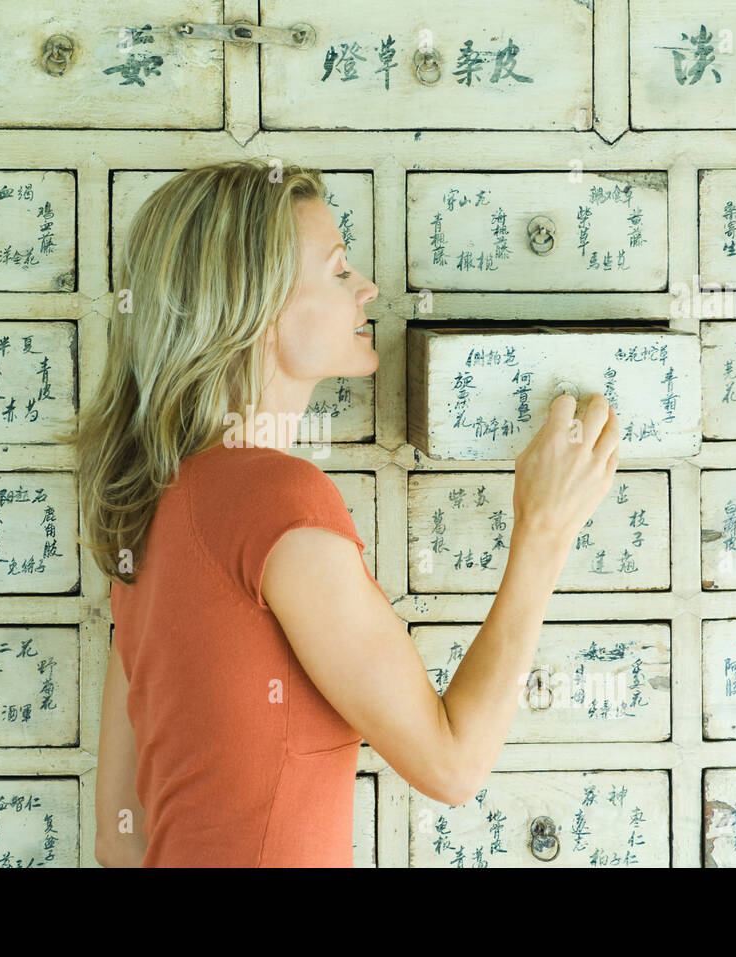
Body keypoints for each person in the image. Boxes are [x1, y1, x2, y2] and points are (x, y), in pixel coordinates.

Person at [65, 158, 619, 867]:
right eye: (337, 270)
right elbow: (453, 765)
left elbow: (122, 838)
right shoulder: (273, 499)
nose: (366, 288)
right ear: (254, 307)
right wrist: (544, 531)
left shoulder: (148, 509)